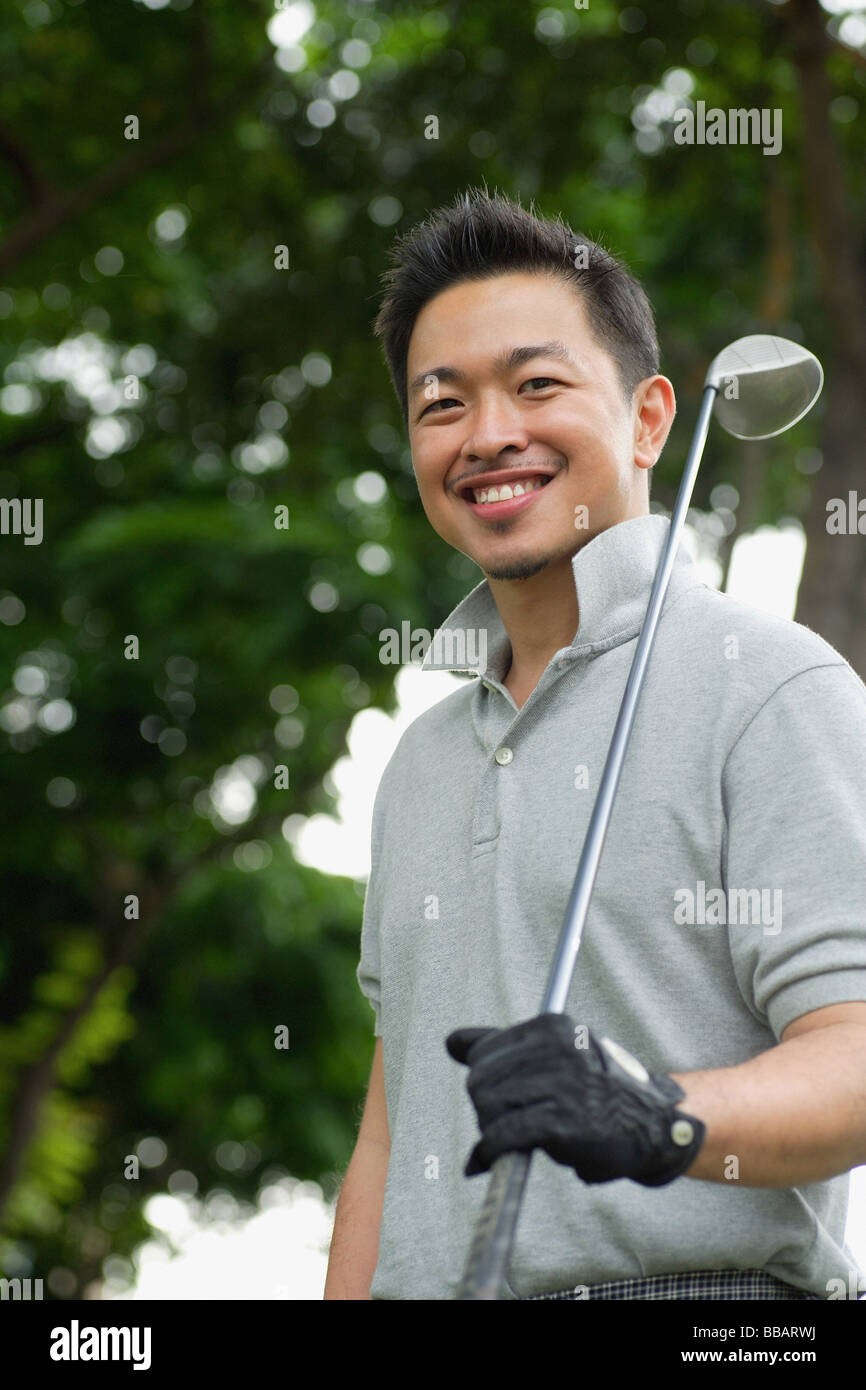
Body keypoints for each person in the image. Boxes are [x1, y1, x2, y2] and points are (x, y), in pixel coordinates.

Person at [323, 186, 866, 1302]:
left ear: (650, 418)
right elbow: (390, 1135)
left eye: (536, 384)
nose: (488, 436)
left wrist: (656, 1111)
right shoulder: (417, 761)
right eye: (441, 404)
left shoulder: (771, 686)